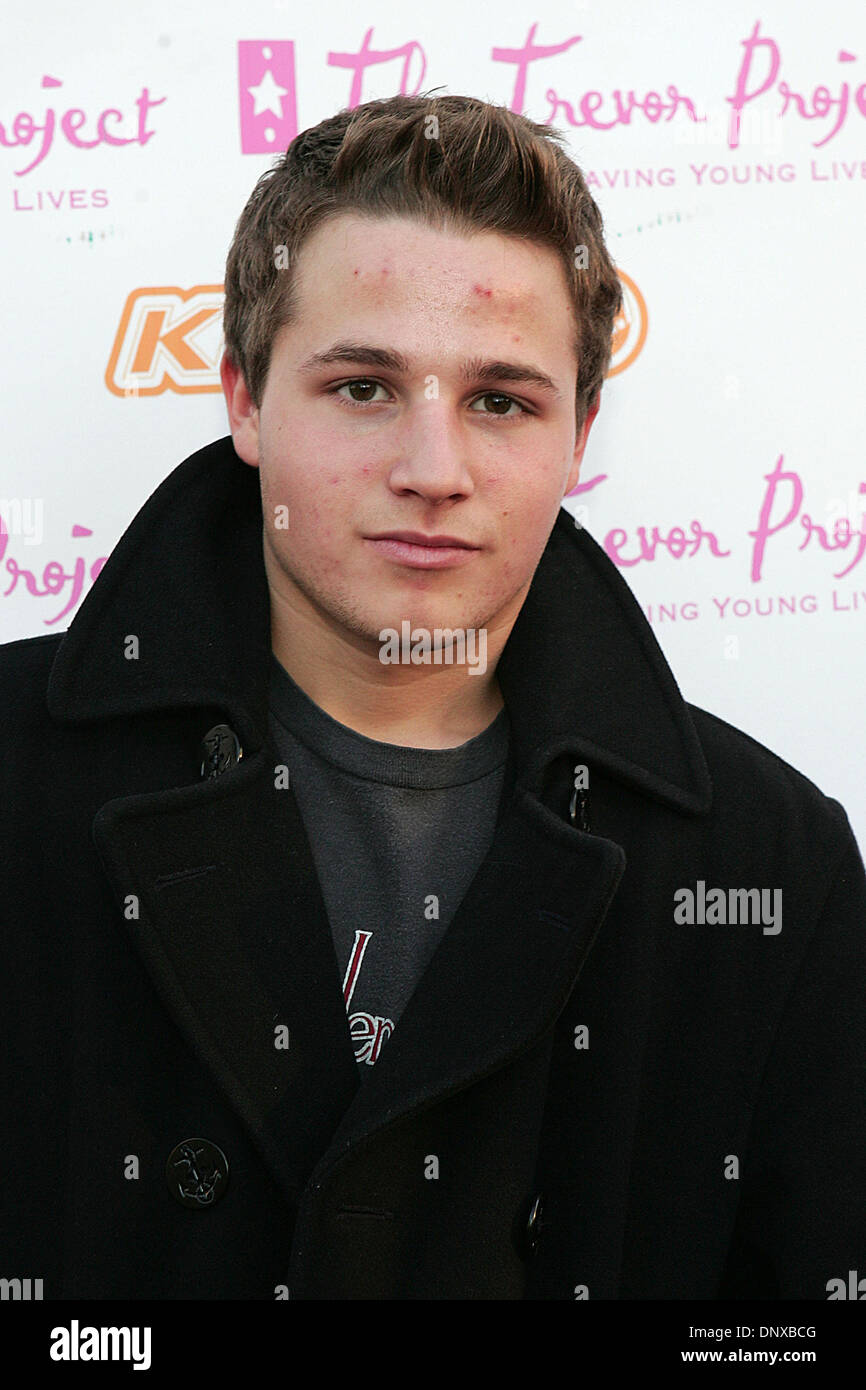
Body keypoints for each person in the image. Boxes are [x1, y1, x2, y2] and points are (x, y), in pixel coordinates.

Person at [1, 92, 864, 1301]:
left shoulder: (773, 863)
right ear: (244, 398)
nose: (430, 470)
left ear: (579, 436)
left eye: (499, 401)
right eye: (361, 387)